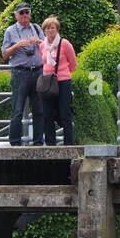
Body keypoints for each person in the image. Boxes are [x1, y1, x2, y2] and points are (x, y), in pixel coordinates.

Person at [0, 2, 45, 146]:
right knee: (17, 110)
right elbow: (4, 54)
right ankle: (15, 143)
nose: (25, 15)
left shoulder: (37, 28)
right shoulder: (10, 31)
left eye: (27, 12)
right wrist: (17, 45)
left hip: (38, 72)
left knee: (39, 110)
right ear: (16, 15)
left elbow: (47, 48)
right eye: (21, 13)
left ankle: (38, 142)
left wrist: (38, 41)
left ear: (30, 14)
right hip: (20, 73)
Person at [38, 16, 77, 145]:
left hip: (63, 81)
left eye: (52, 28)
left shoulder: (64, 43)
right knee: (47, 113)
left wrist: (63, 73)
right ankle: (50, 143)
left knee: (65, 113)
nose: (50, 30)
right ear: (44, 30)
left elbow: (73, 63)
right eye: (48, 28)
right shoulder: (42, 45)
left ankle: (68, 143)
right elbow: (43, 62)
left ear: (57, 29)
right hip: (47, 82)